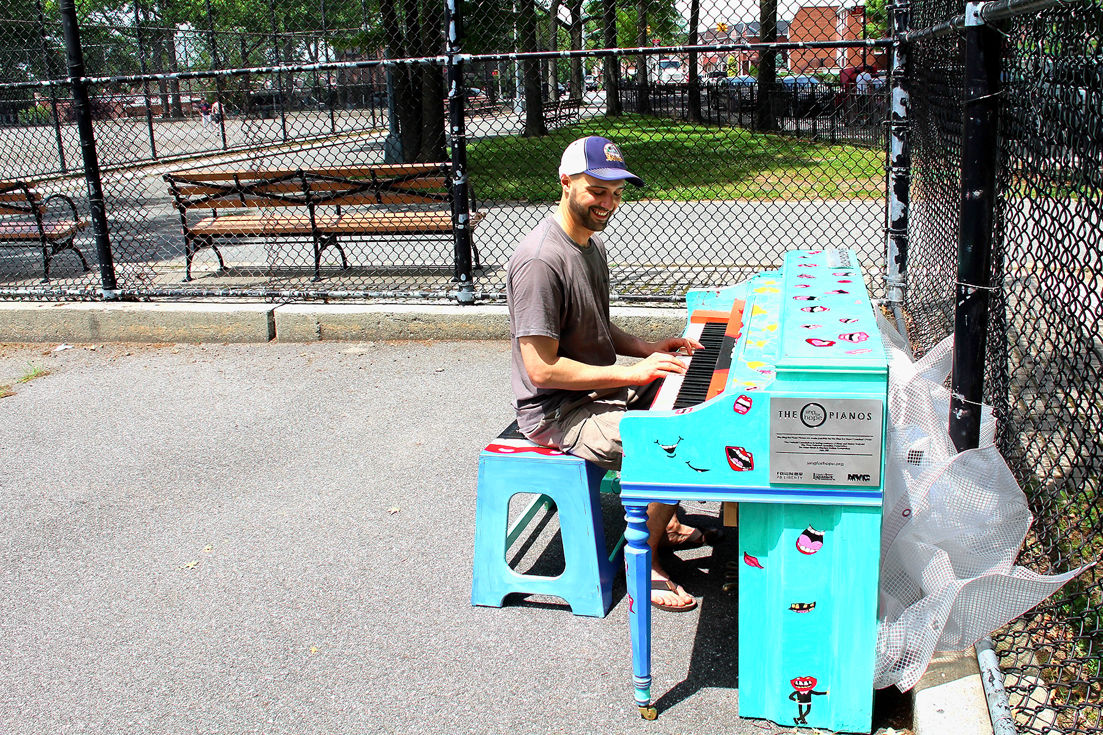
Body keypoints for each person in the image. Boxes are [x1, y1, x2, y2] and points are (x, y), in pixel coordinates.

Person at [506, 136, 718, 613]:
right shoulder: (541, 261)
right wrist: (632, 373)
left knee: (691, 406)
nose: (608, 203)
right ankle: (647, 560)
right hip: (558, 413)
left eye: (617, 192)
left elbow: (595, 324)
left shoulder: (588, 246)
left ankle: (663, 520)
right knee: (674, 447)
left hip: (596, 391)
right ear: (565, 182)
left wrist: (647, 349)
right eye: (597, 190)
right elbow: (542, 366)